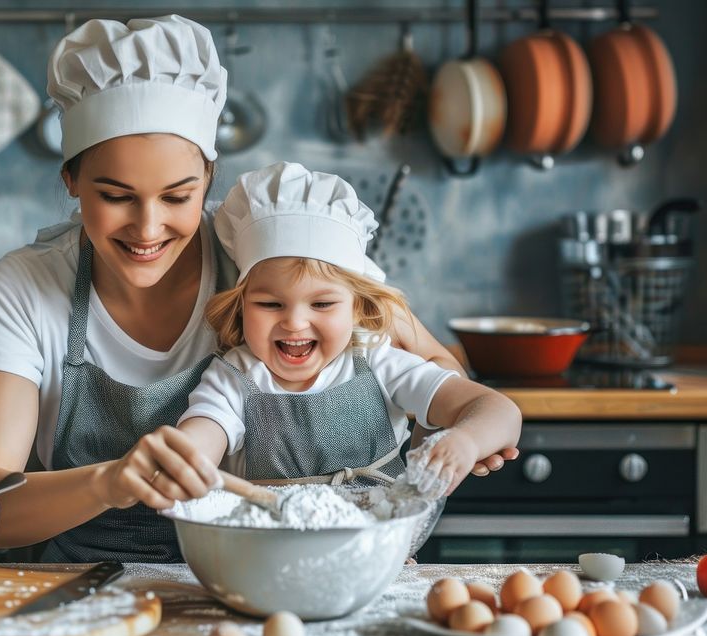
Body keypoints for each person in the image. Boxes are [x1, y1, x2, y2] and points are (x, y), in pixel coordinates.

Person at [0, 16, 516, 563]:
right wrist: (108, 481)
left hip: (259, 569)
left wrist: (457, 432)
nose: (148, 229)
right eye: (116, 196)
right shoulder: (25, 287)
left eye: (177, 196)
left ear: (209, 178)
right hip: (88, 574)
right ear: (71, 180)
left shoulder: (269, 256)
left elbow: (434, 364)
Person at [163, 162, 522, 497]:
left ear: (357, 309)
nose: (294, 322)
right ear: (240, 310)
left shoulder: (376, 361)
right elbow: (203, 435)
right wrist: (184, 461)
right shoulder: (235, 377)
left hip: (379, 555)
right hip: (268, 557)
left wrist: (466, 440)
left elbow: (498, 409)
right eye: (270, 304)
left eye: (321, 304)